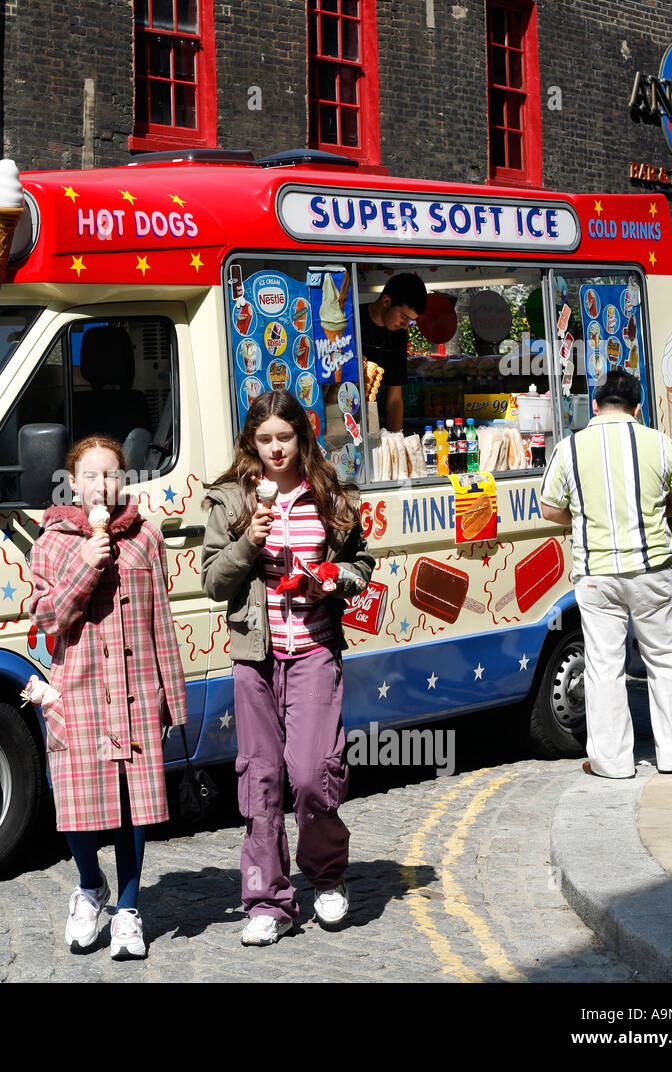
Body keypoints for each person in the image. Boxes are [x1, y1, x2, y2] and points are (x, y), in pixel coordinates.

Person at [200, 390, 374, 946]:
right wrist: (248, 543)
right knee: (262, 779)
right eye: (265, 438)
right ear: (251, 441)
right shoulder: (231, 501)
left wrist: (336, 579)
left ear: (303, 437)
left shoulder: (328, 494)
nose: (276, 449)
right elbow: (212, 583)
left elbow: (361, 563)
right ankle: (267, 901)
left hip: (315, 651)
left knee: (311, 773)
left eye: (286, 437)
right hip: (255, 656)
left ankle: (327, 877)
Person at [27, 436, 188, 959]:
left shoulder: (146, 539)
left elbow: (160, 622)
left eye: (113, 475)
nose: (102, 486)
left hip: (136, 693)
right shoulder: (50, 542)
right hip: (77, 693)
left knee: (132, 809)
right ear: (73, 482)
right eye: (91, 476)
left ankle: (127, 909)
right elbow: (47, 620)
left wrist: (172, 700)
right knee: (77, 806)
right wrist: (84, 563)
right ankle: (89, 884)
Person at [539, 367, 672, 778]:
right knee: (666, 660)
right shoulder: (658, 442)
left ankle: (613, 763)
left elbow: (550, 508)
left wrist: (582, 516)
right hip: (652, 570)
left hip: (596, 574)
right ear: (637, 408)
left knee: (604, 665)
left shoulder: (569, 448)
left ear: (595, 405)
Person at [361, 272, 427, 432]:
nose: (405, 325)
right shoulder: (353, 319)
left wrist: (395, 438)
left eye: (411, 321)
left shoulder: (398, 337)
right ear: (386, 301)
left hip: (370, 410)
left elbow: (395, 398)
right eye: (404, 317)